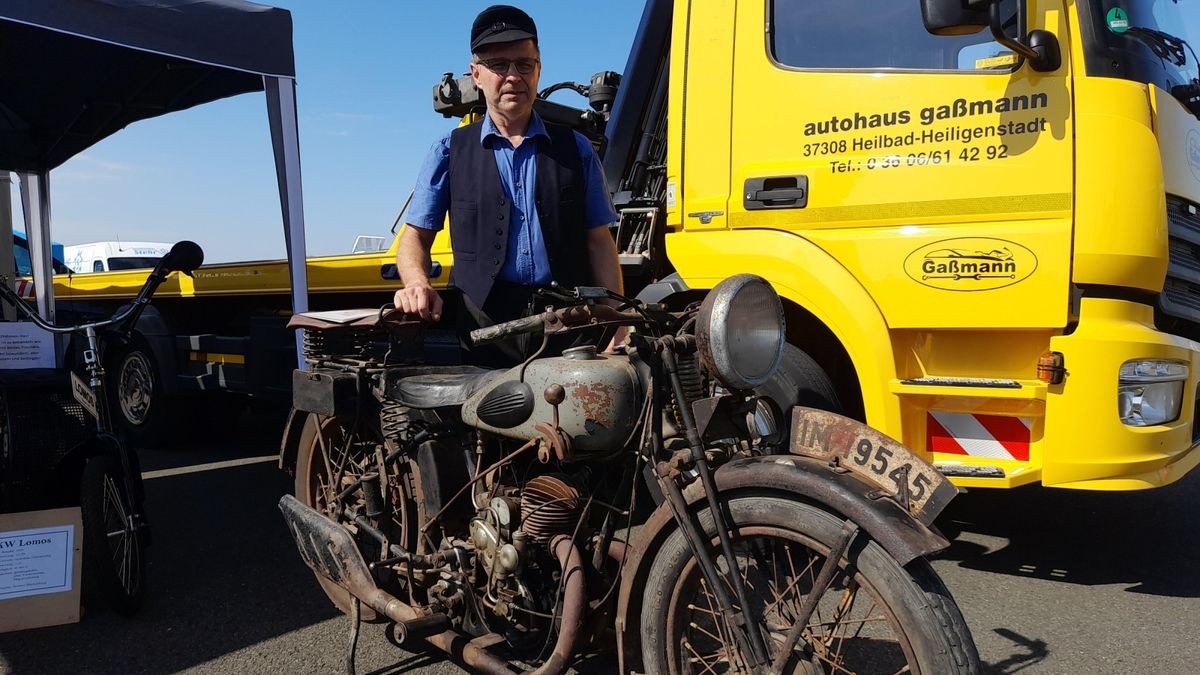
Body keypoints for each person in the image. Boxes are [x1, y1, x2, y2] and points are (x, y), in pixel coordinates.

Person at [392, 5, 624, 366]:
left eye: (524, 65)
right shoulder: (448, 152)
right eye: (499, 65)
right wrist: (416, 284)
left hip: (568, 325)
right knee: (486, 421)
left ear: (538, 69)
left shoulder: (575, 149)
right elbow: (414, 238)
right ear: (477, 74)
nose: (513, 76)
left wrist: (615, 319)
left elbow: (599, 241)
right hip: (485, 327)